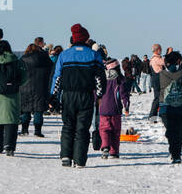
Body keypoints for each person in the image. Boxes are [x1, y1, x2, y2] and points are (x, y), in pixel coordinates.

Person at [50, 24, 108, 167]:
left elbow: (57, 78)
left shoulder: (64, 55)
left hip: (68, 95)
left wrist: (53, 96)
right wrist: (100, 96)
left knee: (68, 126)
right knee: (82, 128)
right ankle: (80, 160)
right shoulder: (94, 55)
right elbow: (100, 78)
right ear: (85, 39)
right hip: (86, 96)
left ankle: (65, 156)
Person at [158, 50, 182, 164]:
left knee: (171, 131)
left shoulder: (162, 75)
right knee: (178, 131)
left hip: (165, 107)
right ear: (178, 61)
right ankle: (176, 154)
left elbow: (156, 88)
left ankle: (173, 152)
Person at [18, 43, 51, 136]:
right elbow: (51, 71)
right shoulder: (45, 59)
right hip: (40, 87)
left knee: (26, 110)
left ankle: (24, 130)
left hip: (25, 87)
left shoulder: (23, 59)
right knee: (38, 110)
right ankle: (37, 131)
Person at [97, 60, 125, 158]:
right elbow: (124, 94)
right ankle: (114, 151)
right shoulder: (120, 79)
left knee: (104, 129)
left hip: (103, 109)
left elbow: (96, 92)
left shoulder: (102, 78)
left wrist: (96, 101)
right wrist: (126, 105)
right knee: (115, 131)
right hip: (116, 109)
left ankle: (105, 146)